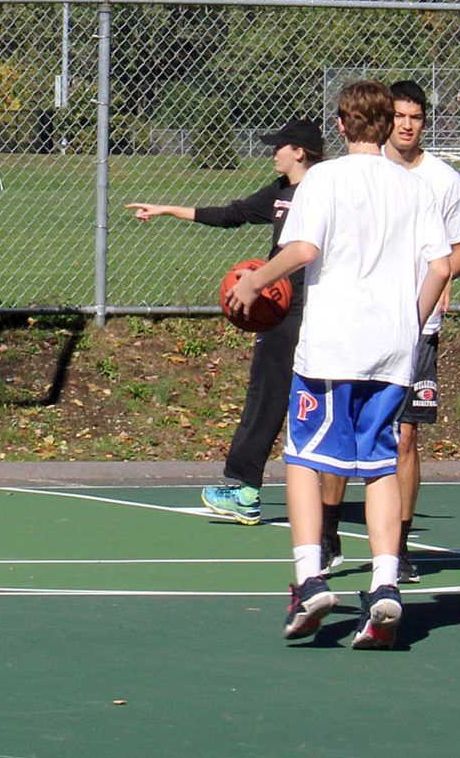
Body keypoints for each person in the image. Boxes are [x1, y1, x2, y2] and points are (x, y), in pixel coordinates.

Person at [229, 80, 450, 651]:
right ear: (385, 125)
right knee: (378, 466)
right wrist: (410, 321)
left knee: (303, 458)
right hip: (392, 350)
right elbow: (443, 266)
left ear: (344, 126)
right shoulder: (415, 188)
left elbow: (303, 250)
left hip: (332, 344)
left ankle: (310, 579)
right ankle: (384, 584)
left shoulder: (323, 179)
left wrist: (255, 280)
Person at [125, 117, 325, 527]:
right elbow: (232, 213)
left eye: (279, 146)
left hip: (313, 307)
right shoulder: (281, 191)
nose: (273, 152)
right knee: (270, 394)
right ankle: (251, 487)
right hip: (284, 309)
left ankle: (245, 491)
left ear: (299, 152)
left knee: (279, 397)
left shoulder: (326, 190)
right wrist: (168, 210)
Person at [322, 80, 460, 581]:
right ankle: (327, 533)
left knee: (406, 436)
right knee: (341, 433)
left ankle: (401, 544)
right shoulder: (363, 175)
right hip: (357, 324)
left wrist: (444, 275)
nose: (408, 125)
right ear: (385, 120)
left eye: (417, 117)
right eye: (400, 115)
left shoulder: (443, 181)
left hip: (416, 327)